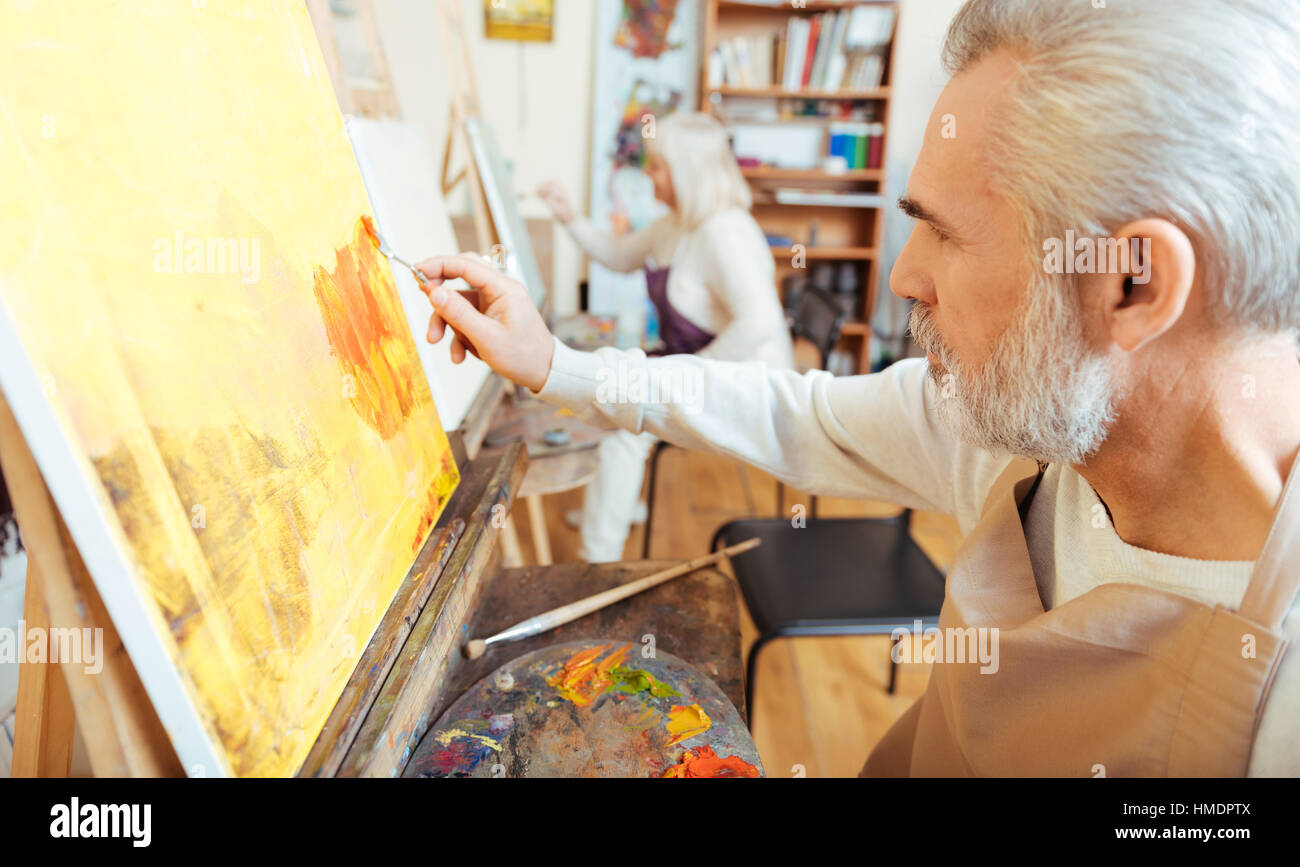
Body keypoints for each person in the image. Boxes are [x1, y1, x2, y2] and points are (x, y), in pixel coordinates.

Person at [417, 0, 1300, 776]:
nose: (904, 278)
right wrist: (551, 364)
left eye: (944, 236)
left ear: (1133, 283)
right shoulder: (1008, 430)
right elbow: (786, 408)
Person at [534, 112, 793, 562]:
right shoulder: (676, 223)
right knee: (611, 383)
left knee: (624, 428)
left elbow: (761, 322)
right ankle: (614, 505)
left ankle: (599, 559)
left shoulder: (723, 232)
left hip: (746, 387)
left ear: (688, 173)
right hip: (699, 364)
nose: (646, 174)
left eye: (656, 166)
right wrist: (571, 219)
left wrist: (688, 375)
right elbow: (618, 255)